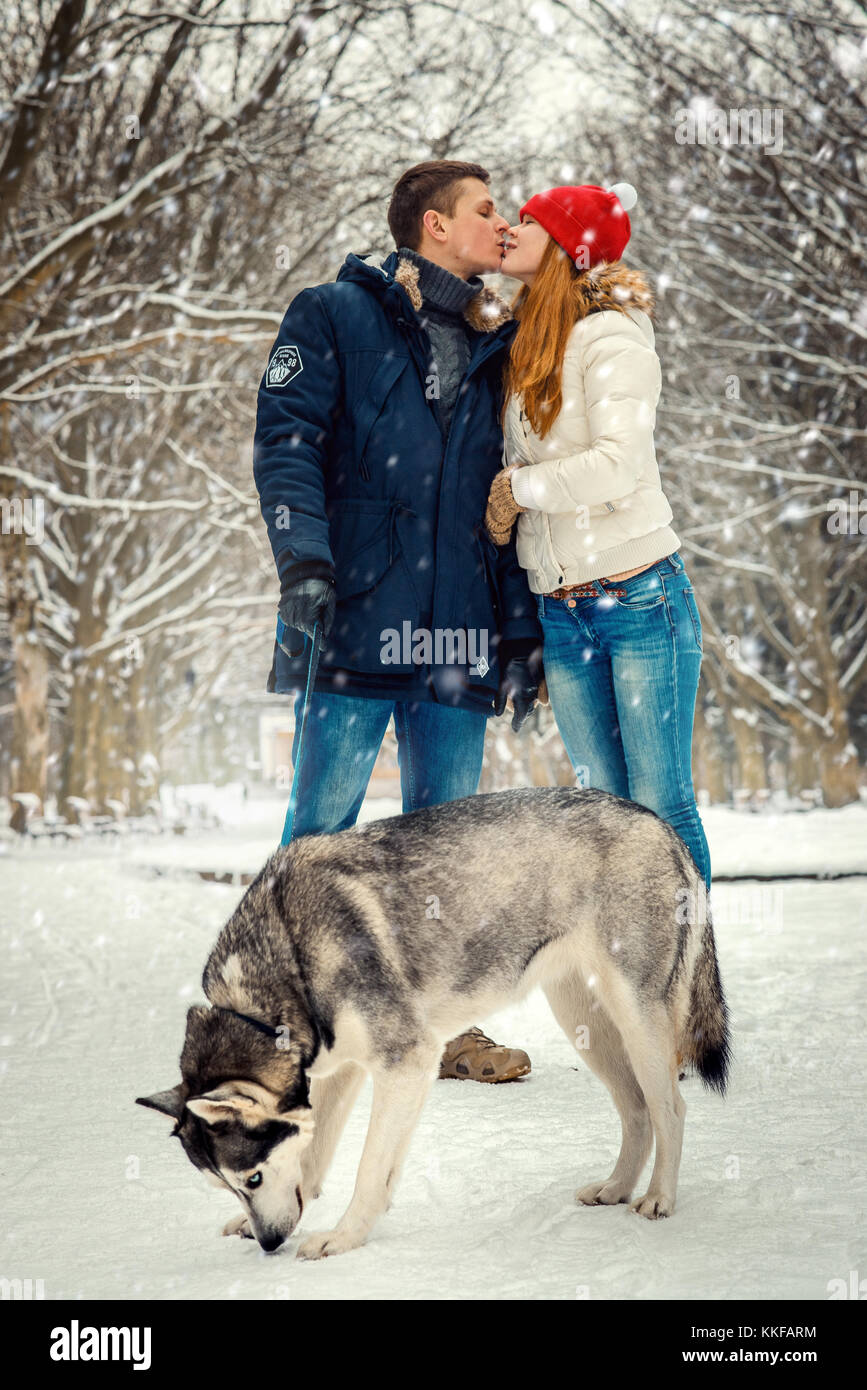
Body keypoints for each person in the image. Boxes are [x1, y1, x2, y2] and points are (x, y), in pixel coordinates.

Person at [253, 161, 544, 1082]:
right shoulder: (334, 313)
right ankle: (283, 1022)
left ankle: (440, 1027)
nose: (501, 226)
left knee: (446, 841)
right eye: (486, 210)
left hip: (459, 626)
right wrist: (303, 561)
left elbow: (504, 508)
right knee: (320, 832)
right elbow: (285, 438)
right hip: (356, 613)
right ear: (433, 225)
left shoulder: (501, 344)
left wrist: (521, 631)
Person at [485, 181, 711, 891]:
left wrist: (516, 490)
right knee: (601, 812)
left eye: (528, 222)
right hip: (564, 607)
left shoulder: (609, 335)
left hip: (639, 595)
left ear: (563, 246)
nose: (511, 230)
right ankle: (632, 985)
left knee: (659, 804)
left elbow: (618, 466)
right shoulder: (531, 340)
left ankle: (689, 988)